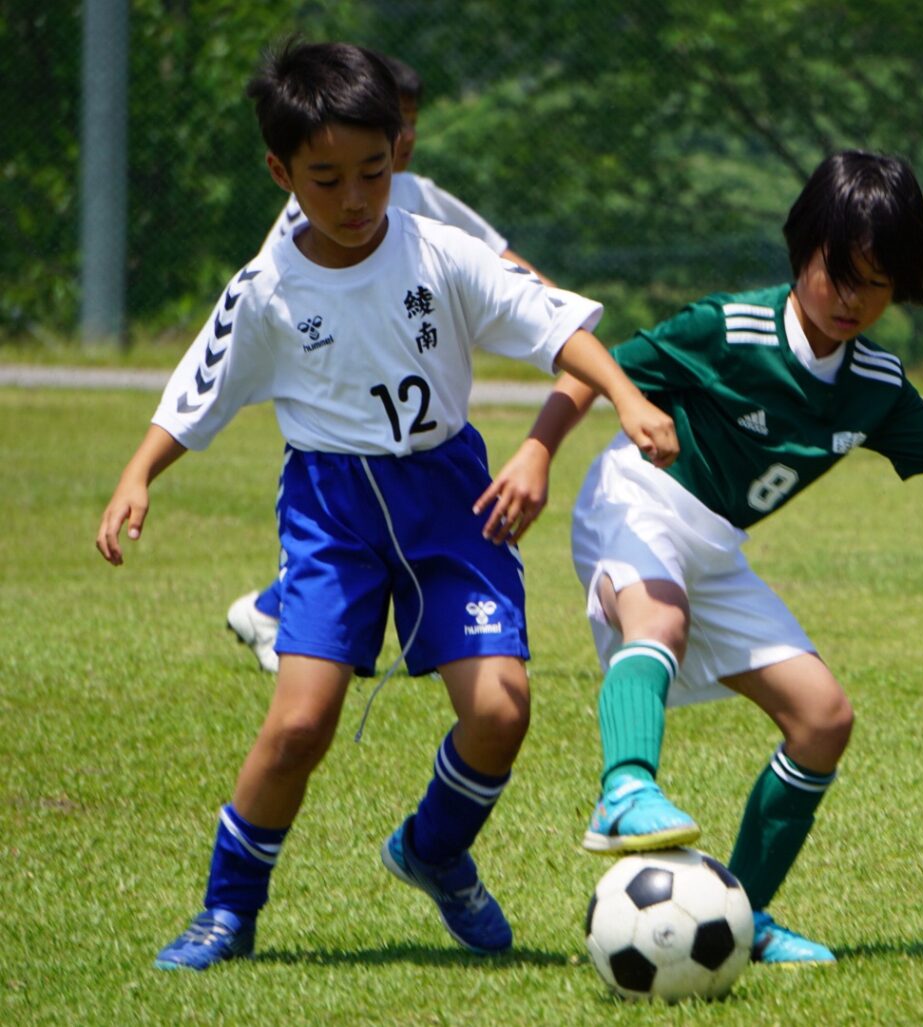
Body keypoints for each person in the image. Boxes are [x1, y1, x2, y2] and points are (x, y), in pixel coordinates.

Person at [93, 39, 676, 971]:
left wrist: (628, 396)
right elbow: (202, 383)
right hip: (333, 512)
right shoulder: (268, 286)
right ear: (282, 174)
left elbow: (555, 323)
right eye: (327, 180)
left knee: (501, 710)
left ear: (397, 151)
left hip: (450, 500)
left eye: (375, 170)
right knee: (300, 723)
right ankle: (226, 912)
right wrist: (139, 472)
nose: (357, 197)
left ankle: (433, 849)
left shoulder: (438, 249)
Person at [490, 150, 923, 964]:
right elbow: (592, 369)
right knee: (659, 619)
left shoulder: (874, 384)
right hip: (638, 496)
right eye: (841, 275)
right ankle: (625, 789)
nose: (855, 300)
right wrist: (538, 451)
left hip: (717, 544)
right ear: (802, 250)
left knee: (823, 718)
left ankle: (742, 916)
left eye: (879, 284)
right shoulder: (728, 329)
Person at [227, 54, 551, 673]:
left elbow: (496, 256)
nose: (406, 137)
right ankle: (282, 616)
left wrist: (550, 305)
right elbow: (280, 287)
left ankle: (269, 609)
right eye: (396, 120)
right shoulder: (318, 207)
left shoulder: (417, 195)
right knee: (349, 519)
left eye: (410, 122)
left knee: (393, 522)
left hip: (415, 415)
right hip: (340, 399)